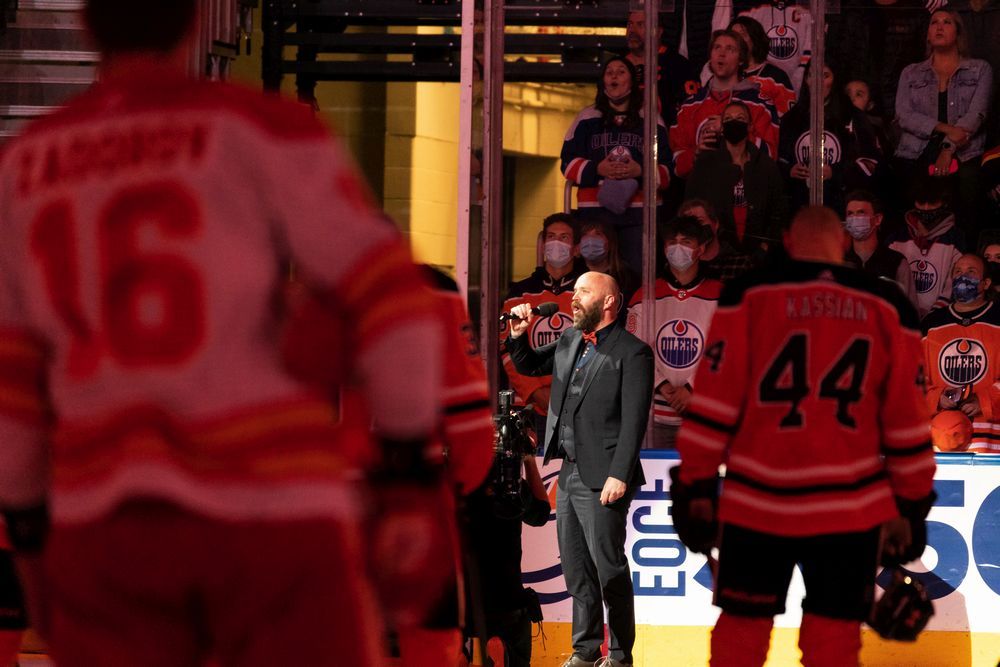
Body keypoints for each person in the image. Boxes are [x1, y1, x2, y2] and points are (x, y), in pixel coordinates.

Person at [0, 1, 446, 665]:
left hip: (103, 516)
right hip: (271, 504)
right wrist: (408, 473)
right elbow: (391, 297)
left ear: (87, 24)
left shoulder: (23, 164)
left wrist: (29, 527)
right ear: (191, 19)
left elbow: (14, 384)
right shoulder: (262, 126)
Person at [674, 206, 937, 667]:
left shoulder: (748, 295)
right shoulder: (889, 306)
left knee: (741, 630)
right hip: (849, 508)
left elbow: (714, 405)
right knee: (834, 641)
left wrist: (694, 484)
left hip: (756, 502)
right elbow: (907, 423)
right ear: (842, 246)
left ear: (789, 245)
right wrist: (911, 506)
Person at [506, 272, 654, 667]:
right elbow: (528, 362)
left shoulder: (632, 352)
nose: (574, 298)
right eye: (573, 292)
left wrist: (620, 473)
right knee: (576, 569)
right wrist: (519, 335)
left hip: (605, 475)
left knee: (609, 569)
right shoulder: (571, 338)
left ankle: (620, 656)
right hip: (569, 471)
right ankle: (585, 651)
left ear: (609, 302)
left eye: (583, 292)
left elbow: (634, 421)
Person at [561, 57, 673, 273]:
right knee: (595, 282)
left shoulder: (651, 119)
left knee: (636, 278)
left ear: (632, 81)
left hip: (640, 217)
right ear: (603, 80)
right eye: (609, 71)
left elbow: (669, 170)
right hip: (595, 217)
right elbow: (567, 163)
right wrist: (597, 169)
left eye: (621, 71)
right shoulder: (586, 118)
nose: (614, 75)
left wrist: (642, 171)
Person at [895, 8, 993, 238]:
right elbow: (904, 115)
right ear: (927, 34)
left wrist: (948, 147)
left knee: (969, 191)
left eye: (947, 22)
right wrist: (946, 128)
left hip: (964, 149)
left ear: (958, 33)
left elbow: (976, 114)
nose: (939, 26)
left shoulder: (980, 69)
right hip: (917, 149)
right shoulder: (911, 73)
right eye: (934, 22)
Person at [626, 216, 721, 449]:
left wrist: (691, 388)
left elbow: (727, 349)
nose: (678, 247)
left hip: (704, 413)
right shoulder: (644, 295)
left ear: (701, 249)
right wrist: (661, 385)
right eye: (672, 242)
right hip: (654, 415)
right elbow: (634, 349)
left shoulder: (720, 295)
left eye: (686, 241)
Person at [501, 213, 585, 449]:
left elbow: (595, 347)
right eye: (551, 237)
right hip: (529, 406)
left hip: (577, 405)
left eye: (564, 237)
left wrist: (570, 395)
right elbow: (507, 350)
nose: (556, 243)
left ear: (576, 248)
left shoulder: (588, 292)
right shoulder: (519, 294)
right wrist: (535, 391)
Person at [464, 455, 550, 667]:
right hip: (507, 603)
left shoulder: (452, 484)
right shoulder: (510, 487)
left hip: (464, 603)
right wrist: (529, 462)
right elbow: (540, 514)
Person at [670, 29, 780, 179]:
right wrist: (696, 154)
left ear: (741, 59)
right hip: (702, 194)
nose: (722, 54)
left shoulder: (760, 104)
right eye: (717, 48)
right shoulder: (690, 105)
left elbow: (770, 157)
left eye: (730, 49)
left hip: (743, 194)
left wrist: (732, 129)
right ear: (710, 55)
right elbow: (676, 166)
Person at [686, 100, 787, 261]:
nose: (734, 122)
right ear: (722, 127)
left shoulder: (766, 165)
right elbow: (690, 207)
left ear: (749, 126)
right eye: (727, 119)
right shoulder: (705, 164)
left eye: (740, 119)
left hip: (758, 255)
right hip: (716, 254)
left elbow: (778, 211)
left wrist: (765, 247)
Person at [779, 63, 885, 216]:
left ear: (835, 80)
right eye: (811, 75)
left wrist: (836, 173)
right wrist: (789, 170)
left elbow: (871, 163)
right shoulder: (792, 118)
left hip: (842, 207)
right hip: (801, 208)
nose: (817, 81)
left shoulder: (853, 116)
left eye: (825, 75)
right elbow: (780, 159)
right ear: (806, 80)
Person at [921, 253, 1000, 454]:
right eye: (957, 272)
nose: (962, 277)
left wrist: (984, 401)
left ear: (986, 283)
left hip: (991, 442)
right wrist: (935, 398)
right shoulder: (931, 324)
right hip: (941, 440)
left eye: (971, 272)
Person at [887, 174, 965, 318]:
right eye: (921, 202)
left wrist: (936, 313)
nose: (926, 208)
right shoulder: (896, 238)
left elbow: (954, 279)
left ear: (944, 203)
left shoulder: (955, 238)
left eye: (932, 202)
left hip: (940, 318)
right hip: (902, 317)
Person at [699, 15, 797, 118]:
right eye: (733, 36)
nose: (737, 41)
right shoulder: (721, 75)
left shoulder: (776, 77)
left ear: (755, 39)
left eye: (742, 35)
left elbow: (788, 121)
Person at [623, 9, 699, 127]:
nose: (632, 30)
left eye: (640, 24)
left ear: (658, 31)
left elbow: (693, 111)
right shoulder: (617, 66)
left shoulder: (679, 66)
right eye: (630, 24)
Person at [842, 190, 917, 304]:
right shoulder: (838, 260)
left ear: (878, 219)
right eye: (850, 213)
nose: (854, 218)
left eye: (861, 212)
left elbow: (910, 311)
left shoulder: (895, 262)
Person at [679, 199, 755, 283]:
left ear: (715, 224)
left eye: (700, 221)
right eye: (689, 225)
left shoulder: (740, 263)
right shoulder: (679, 264)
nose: (695, 228)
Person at [579, 220, 639, 306]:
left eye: (598, 234)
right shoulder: (573, 277)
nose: (590, 240)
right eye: (585, 234)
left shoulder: (627, 278)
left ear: (610, 242)